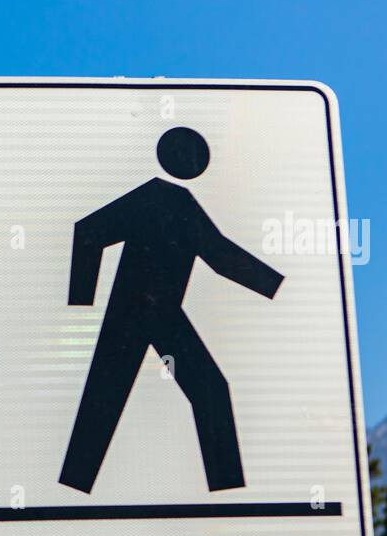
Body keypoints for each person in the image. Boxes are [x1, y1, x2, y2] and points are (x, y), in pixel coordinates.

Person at [60, 127, 284, 494]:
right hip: (131, 313)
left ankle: (227, 490)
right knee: (108, 395)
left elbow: (219, 256)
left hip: (162, 313)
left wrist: (274, 285)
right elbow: (88, 232)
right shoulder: (155, 196)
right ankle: (71, 488)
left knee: (203, 388)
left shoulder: (182, 203)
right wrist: (81, 301)